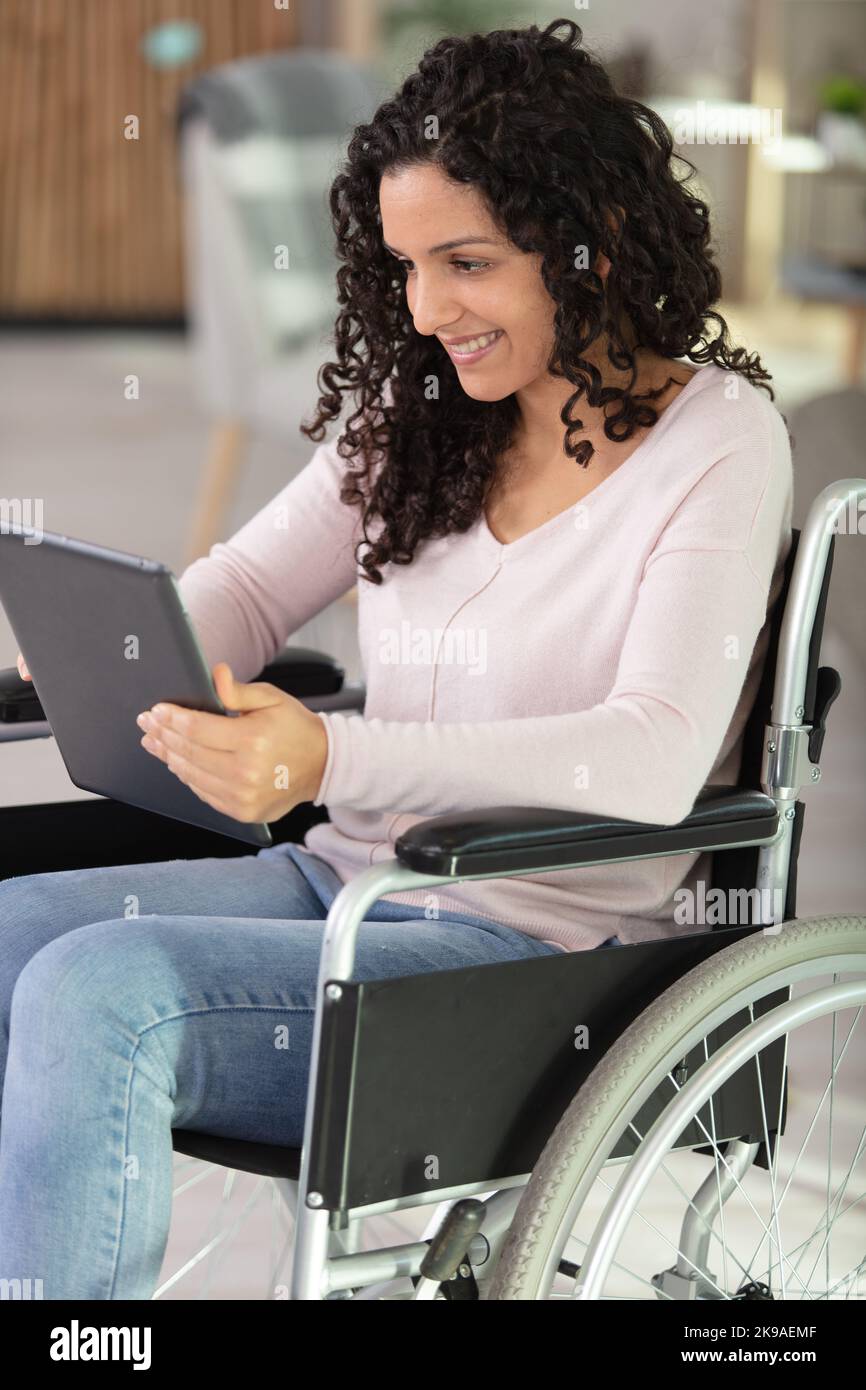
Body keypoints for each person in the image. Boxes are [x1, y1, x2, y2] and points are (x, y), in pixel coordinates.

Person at [0, 18, 792, 1299]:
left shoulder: (718, 441)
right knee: (8, 932)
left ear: (583, 239)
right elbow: (253, 586)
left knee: (106, 991)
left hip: (528, 959)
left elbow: (651, 751)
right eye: (407, 266)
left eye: (465, 263)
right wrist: (118, 640)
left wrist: (328, 749)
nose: (427, 310)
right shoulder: (422, 413)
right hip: (344, 891)